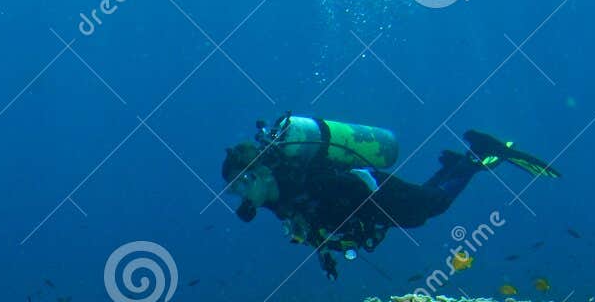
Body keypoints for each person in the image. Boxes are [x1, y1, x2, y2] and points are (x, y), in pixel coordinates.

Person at [222, 115, 560, 277]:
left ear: (258, 173)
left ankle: (478, 155)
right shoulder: (278, 198)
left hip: (376, 192)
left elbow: (346, 188)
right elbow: (310, 221)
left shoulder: (299, 179)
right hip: (371, 205)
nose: (240, 196)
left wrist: (361, 222)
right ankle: (460, 162)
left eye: (240, 185)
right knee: (426, 204)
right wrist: (325, 247)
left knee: (431, 207)